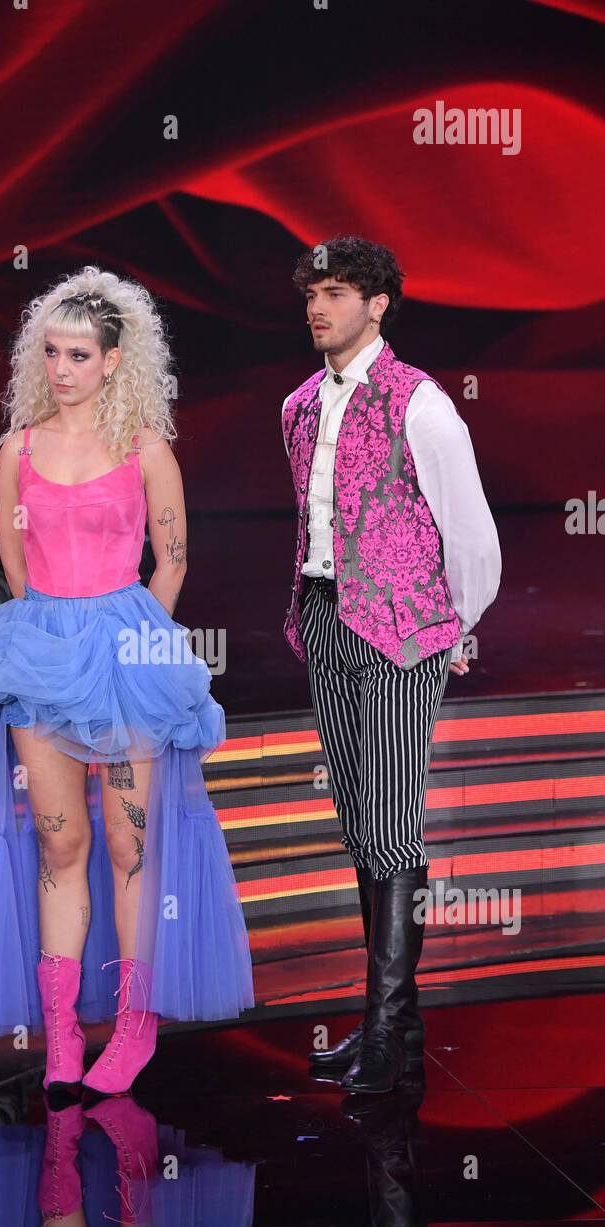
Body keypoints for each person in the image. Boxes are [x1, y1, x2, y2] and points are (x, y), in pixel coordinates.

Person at [0, 266, 254, 1096]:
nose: (61, 369)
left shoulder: (146, 448)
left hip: (130, 659)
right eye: (50, 353)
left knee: (130, 845)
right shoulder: (18, 449)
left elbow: (174, 557)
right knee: (59, 843)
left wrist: (132, 642)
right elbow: (15, 566)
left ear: (115, 360)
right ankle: (58, 1038)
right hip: (40, 655)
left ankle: (132, 1027)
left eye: (78, 355)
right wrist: (57, 640)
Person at [281, 235, 501, 1093]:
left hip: (404, 633)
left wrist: (451, 625)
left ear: (377, 306)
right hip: (325, 618)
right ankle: (391, 1029)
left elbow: (471, 529)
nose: (318, 307)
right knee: (358, 821)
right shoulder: (299, 404)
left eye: (336, 293)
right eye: (312, 293)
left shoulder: (421, 403)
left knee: (392, 820)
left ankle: (386, 1029)